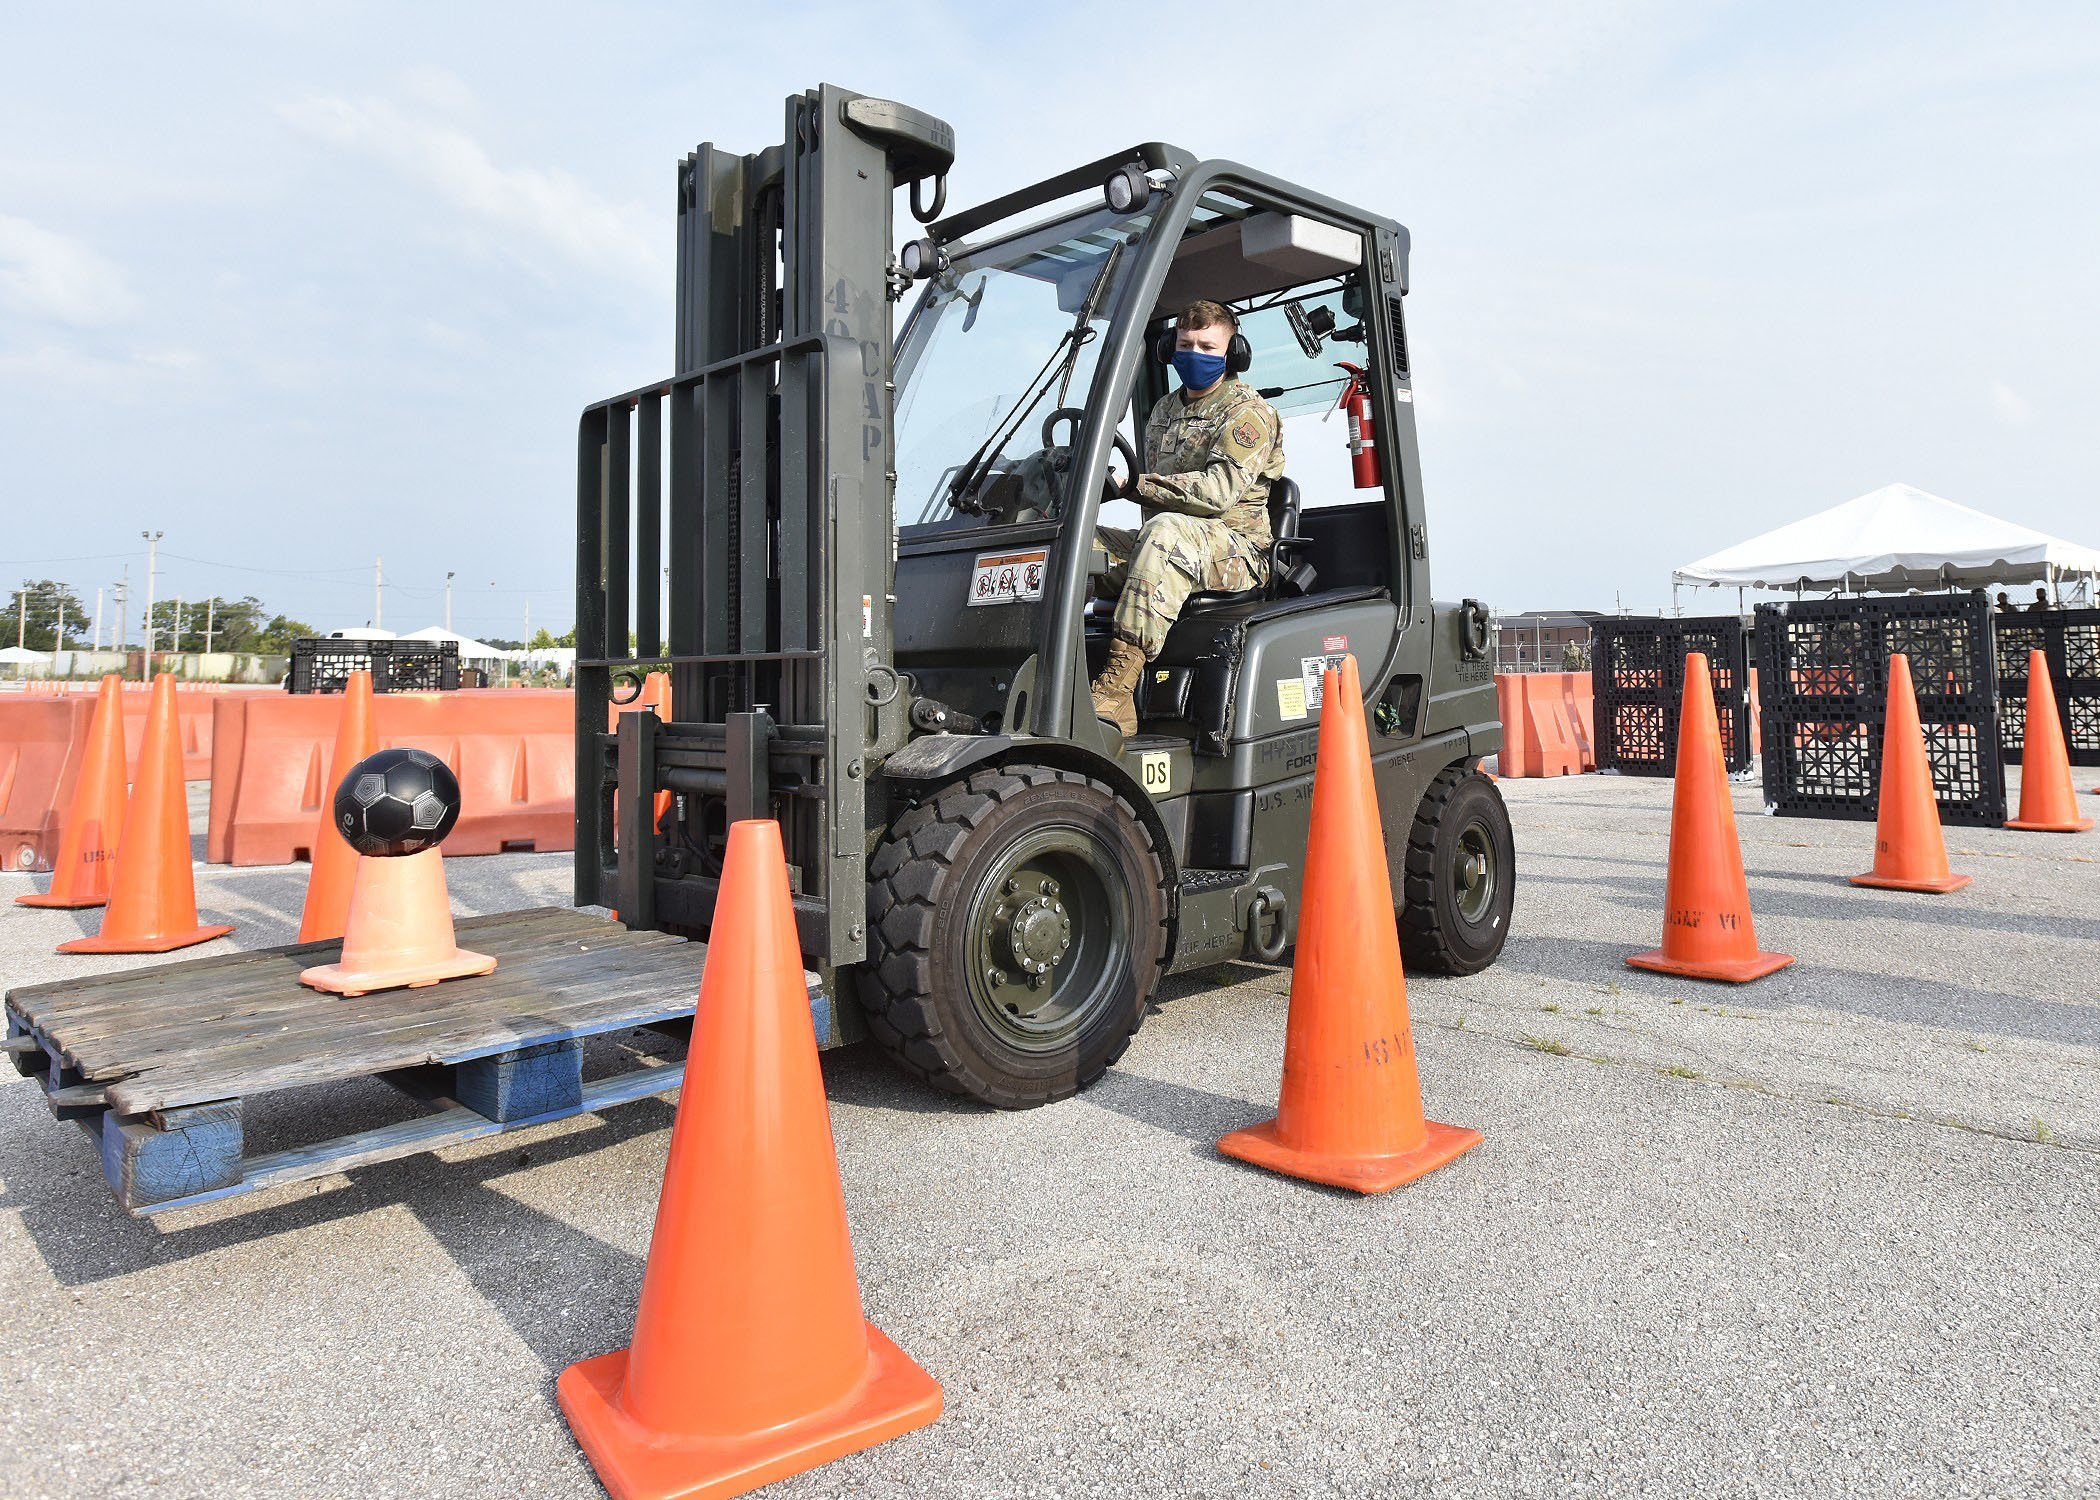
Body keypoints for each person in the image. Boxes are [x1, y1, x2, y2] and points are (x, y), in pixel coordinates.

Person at [1088, 300, 1285, 737]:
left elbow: (1217, 492)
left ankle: (1117, 692)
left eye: (1208, 347)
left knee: (1164, 530)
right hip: (1169, 543)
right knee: (1078, 542)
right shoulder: (1163, 410)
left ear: (1233, 353)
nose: (1194, 354)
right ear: (1168, 348)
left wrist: (1134, 484)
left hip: (1236, 551)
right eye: (1185, 345)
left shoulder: (1248, 413)